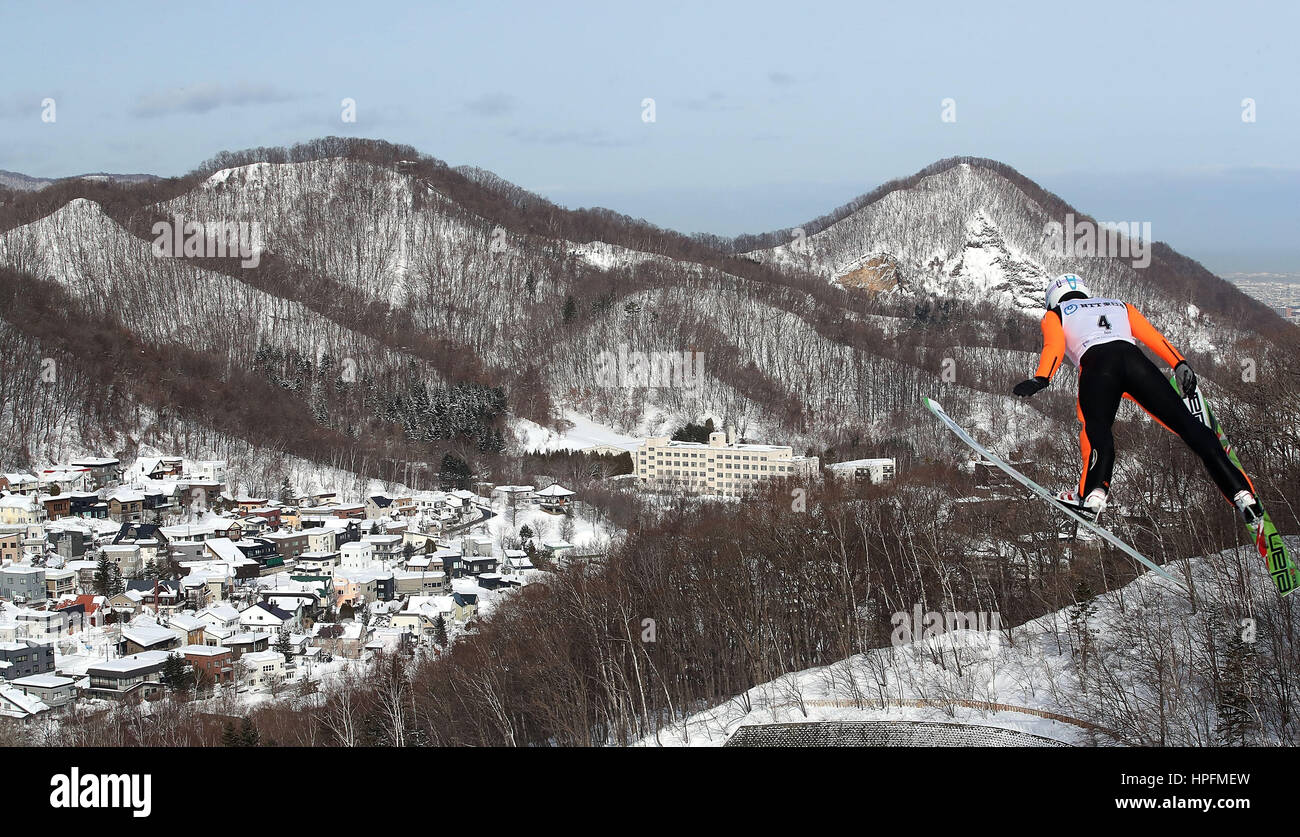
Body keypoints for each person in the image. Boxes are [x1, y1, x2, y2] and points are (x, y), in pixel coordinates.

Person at [1012, 273, 1261, 522]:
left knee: (1097, 429)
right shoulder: (1119, 305)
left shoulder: (1056, 314)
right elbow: (1154, 337)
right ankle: (1242, 494)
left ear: (1052, 299)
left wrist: (1041, 378)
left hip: (1098, 366)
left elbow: (1053, 347)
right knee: (1188, 425)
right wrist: (1179, 362)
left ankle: (1093, 494)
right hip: (1136, 363)